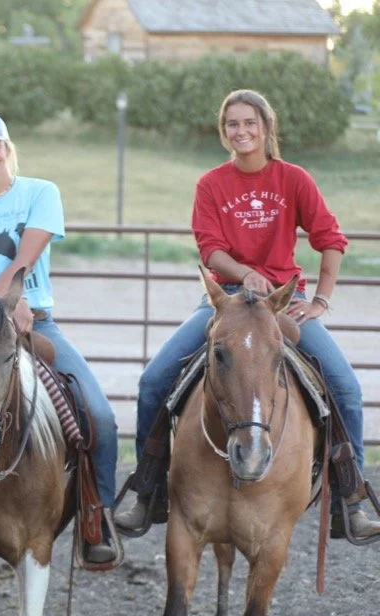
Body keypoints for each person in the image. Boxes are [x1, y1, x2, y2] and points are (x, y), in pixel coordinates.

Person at [114, 89, 380, 539]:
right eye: (232, 124)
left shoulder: (293, 179)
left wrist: (320, 300)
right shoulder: (211, 184)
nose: (241, 131)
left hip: (280, 303)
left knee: (346, 388)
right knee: (154, 380)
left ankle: (350, 499)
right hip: (226, 299)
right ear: (224, 131)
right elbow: (210, 249)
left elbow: (331, 239)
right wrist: (245, 274)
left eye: (249, 123)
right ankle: (148, 490)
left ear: (266, 127)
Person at [0, 111, 120, 564]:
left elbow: (25, 259)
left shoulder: (41, 193)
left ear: (7, 148)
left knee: (99, 416)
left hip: (37, 320)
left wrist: (15, 300)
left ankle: (97, 517)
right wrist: (3, 305)